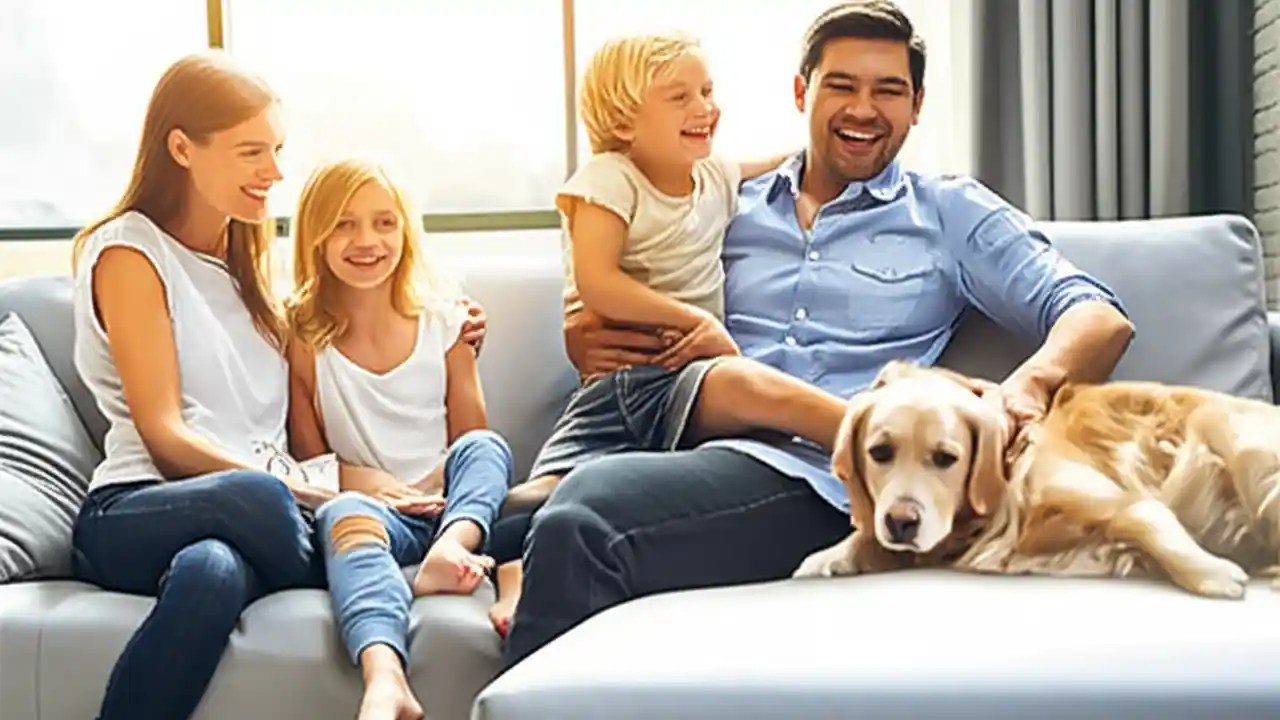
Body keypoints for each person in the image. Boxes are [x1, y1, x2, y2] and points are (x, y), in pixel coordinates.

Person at [502, 0, 1135, 668]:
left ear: (917, 106)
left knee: (582, 518)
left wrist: (1023, 392)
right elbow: (628, 272)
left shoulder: (947, 211)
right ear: (801, 92)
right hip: (677, 438)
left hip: (818, 477)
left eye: (888, 91)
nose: (863, 109)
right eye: (842, 86)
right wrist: (586, 333)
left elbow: (1098, 316)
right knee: (484, 515)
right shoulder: (722, 200)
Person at [488, 31, 853, 637]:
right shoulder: (609, 179)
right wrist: (698, 322)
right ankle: (512, 581)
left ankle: (863, 436)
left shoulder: (715, 175)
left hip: (681, 383)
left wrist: (830, 142)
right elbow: (598, 282)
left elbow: (788, 161)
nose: (705, 107)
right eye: (679, 97)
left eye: (707, 90)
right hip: (621, 384)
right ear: (622, 121)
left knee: (733, 392)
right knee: (535, 499)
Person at [67, 52, 338, 720]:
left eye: (276, 150)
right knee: (262, 498)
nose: (274, 171)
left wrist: (449, 329)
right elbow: (163, 435)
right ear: (182, 148)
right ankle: (364, 550)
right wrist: (302, 495)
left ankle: (359, 541)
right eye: (251, 152)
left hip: (239, 525)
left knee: (210, 572)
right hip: (135, 507)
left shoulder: (248, 274)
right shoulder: (130, 250)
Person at [285, 159, 514, 720]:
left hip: (452, 509)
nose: (367, 240)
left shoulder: (446, 322)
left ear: (406, 230)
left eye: (384, 222)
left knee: (489, 451)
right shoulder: (302, 338)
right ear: (315, 236)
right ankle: (385, 677)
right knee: (341, 516)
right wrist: (367, 483)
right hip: (376, 514)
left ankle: (453, 550)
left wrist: (444, 494)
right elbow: (308, 458)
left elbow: (470, 436)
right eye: (344, 224)